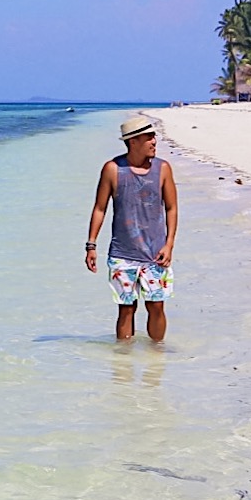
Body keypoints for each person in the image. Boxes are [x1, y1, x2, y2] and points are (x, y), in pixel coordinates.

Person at [85, 116, 178, 341]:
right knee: (126, 309)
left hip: (155, 253)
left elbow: (172, 208)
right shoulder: (113, 169)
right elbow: (100, 208)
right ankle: (123, 365)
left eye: (154, 136)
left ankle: (157, 359)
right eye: (149, 137)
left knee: (156, 306)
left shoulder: (163, 169)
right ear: (133, 141)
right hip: (122, 254)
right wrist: (91, 245)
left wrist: (169, 244)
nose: (155, 141)